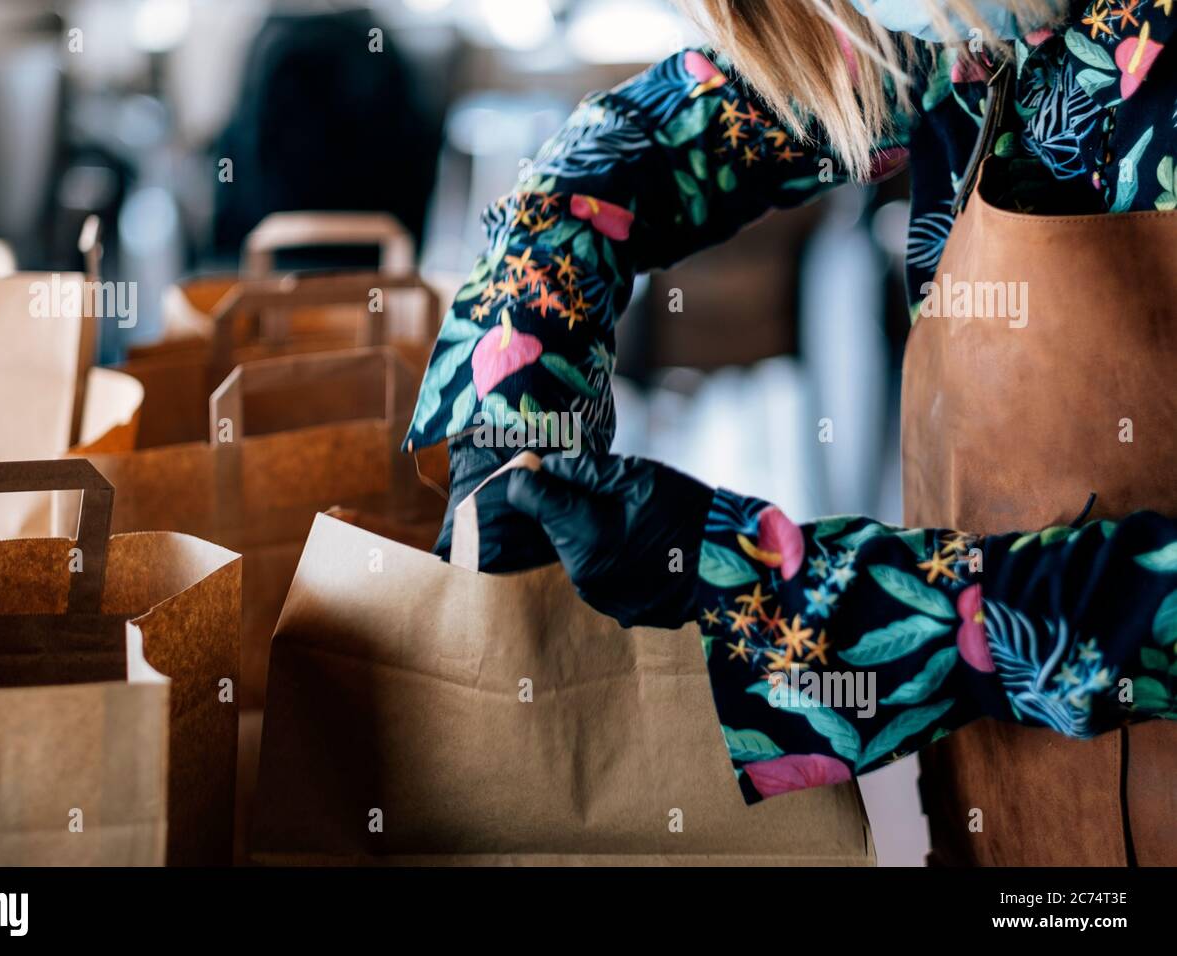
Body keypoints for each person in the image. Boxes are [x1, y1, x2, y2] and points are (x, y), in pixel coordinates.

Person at [404, 0, 1177, 863]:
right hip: (1009, 822)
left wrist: (797, 602)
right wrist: (512, 424)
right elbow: (600, 174)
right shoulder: (959, 44)